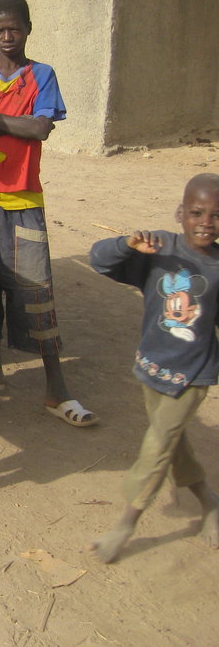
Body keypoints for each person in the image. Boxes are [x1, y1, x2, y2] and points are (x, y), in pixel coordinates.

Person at [0, 0, 97, 426]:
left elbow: (41, 128)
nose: (6, 36)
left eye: (14, 28)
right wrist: (15, 125)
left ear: (29, 28)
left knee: (35, 290)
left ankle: (57, 387)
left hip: (22, 197)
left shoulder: (42, 75)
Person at [88, 173, 219, 563]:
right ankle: (209, 501)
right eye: (197, 212)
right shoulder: (159, 249)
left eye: (216, 215)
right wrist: (127, 245)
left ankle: (126, 524)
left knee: (158, 443)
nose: (206, 222)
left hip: (192, 375)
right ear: (181, 213)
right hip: (151, 367)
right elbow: (100, 260)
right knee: (173, 443)